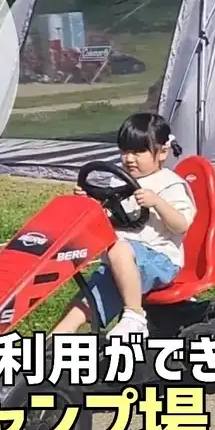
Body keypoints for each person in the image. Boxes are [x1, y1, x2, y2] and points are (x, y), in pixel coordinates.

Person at [50, 112, 197, 340]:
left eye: (138, 152)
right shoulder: (119, 181)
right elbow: (110, 219)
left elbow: (181, 225)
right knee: (81, 307)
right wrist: (89, 201)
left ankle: (135, 316)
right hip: (119, 264)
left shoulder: (170, 184)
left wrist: (158, 203)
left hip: (159, 261)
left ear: (162, 152)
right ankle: (46, 349)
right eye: (125, 151)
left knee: (118, 247)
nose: (129, 159)